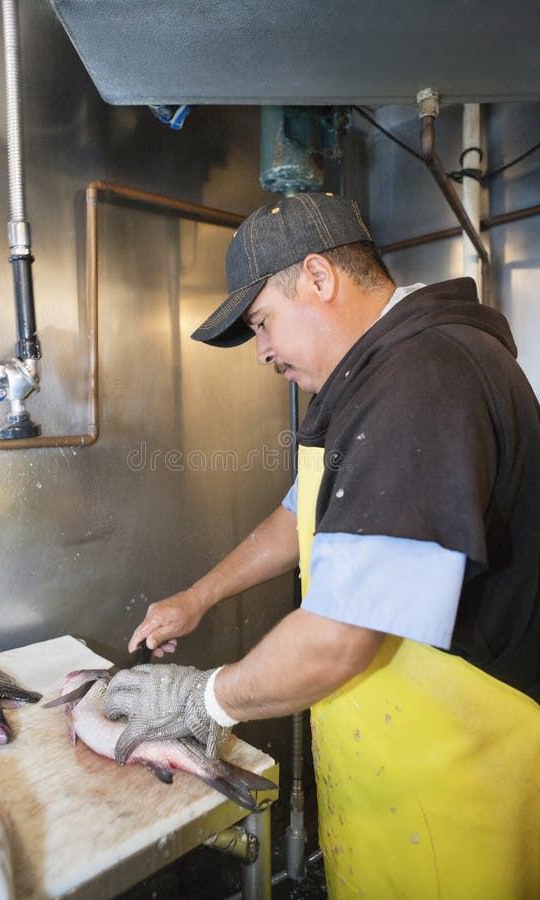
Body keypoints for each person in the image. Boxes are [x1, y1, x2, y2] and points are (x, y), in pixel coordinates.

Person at [107, 193, 540, 899]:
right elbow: (300, 516)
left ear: (317, 276)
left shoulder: (422, 378)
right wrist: (201, 595)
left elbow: (341, 639)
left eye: (262, 324)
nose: (263, 353)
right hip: (395, 777)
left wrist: (201, 702)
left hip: (461, 782)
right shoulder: (368, 380)